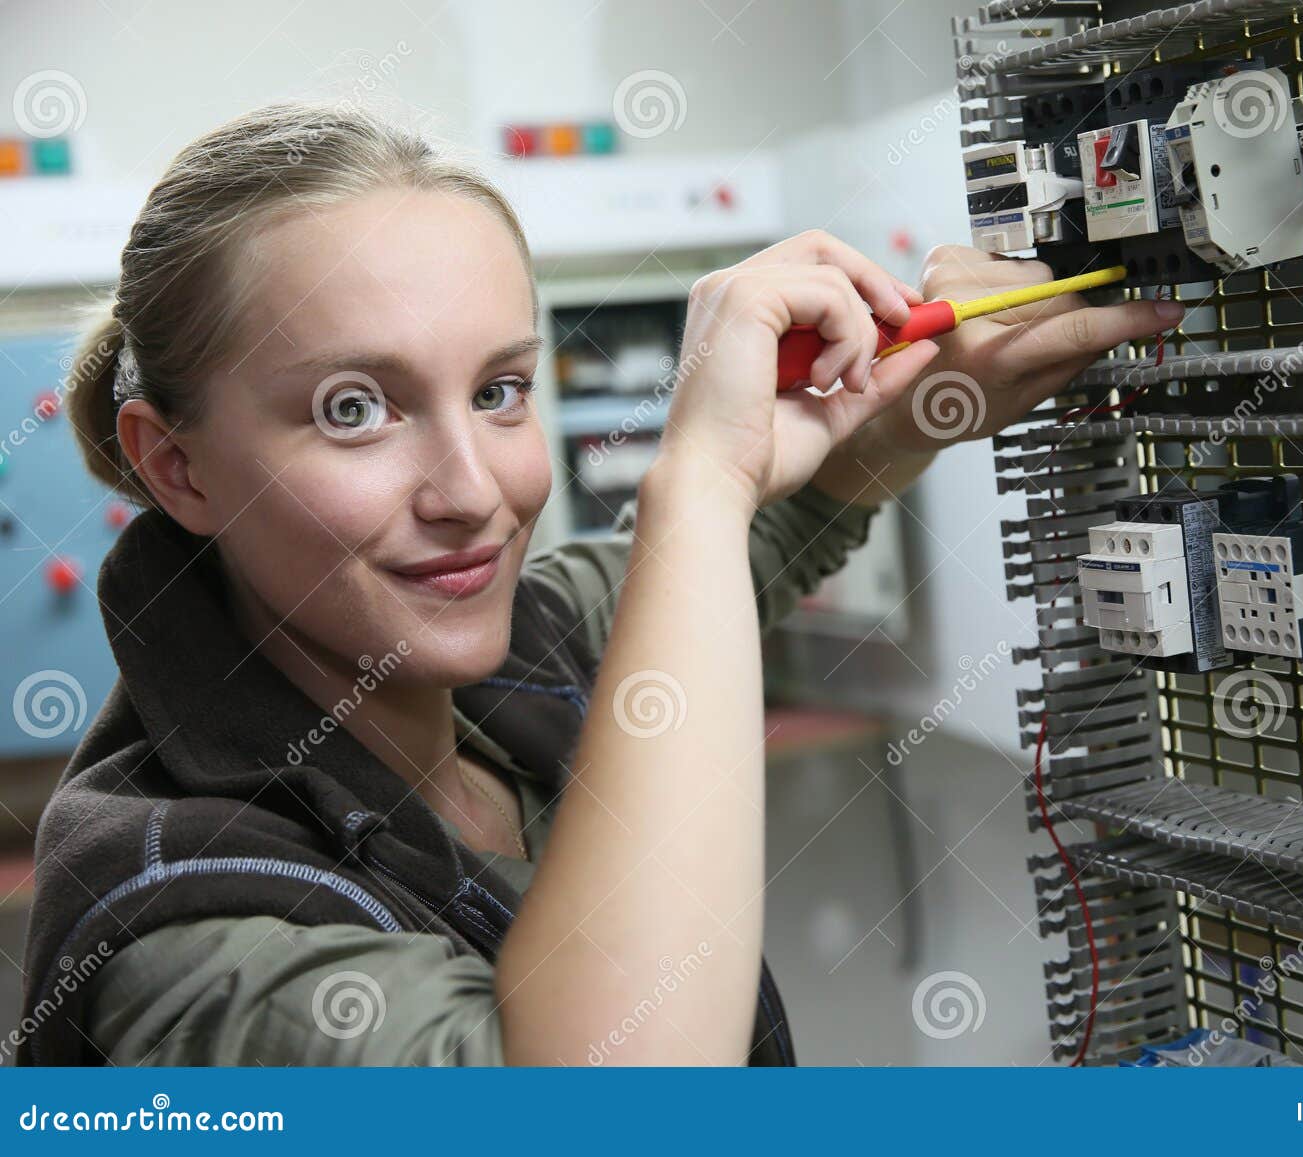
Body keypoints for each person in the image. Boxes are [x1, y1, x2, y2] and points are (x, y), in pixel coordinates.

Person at [15, 102, 1182, 1066]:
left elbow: (772, 530)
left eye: (499, 390)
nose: (471, 489)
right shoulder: (190, 920)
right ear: (178, 466)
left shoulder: (520, 651)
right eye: (353, 409)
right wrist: (697, 481)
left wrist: (929, 392)